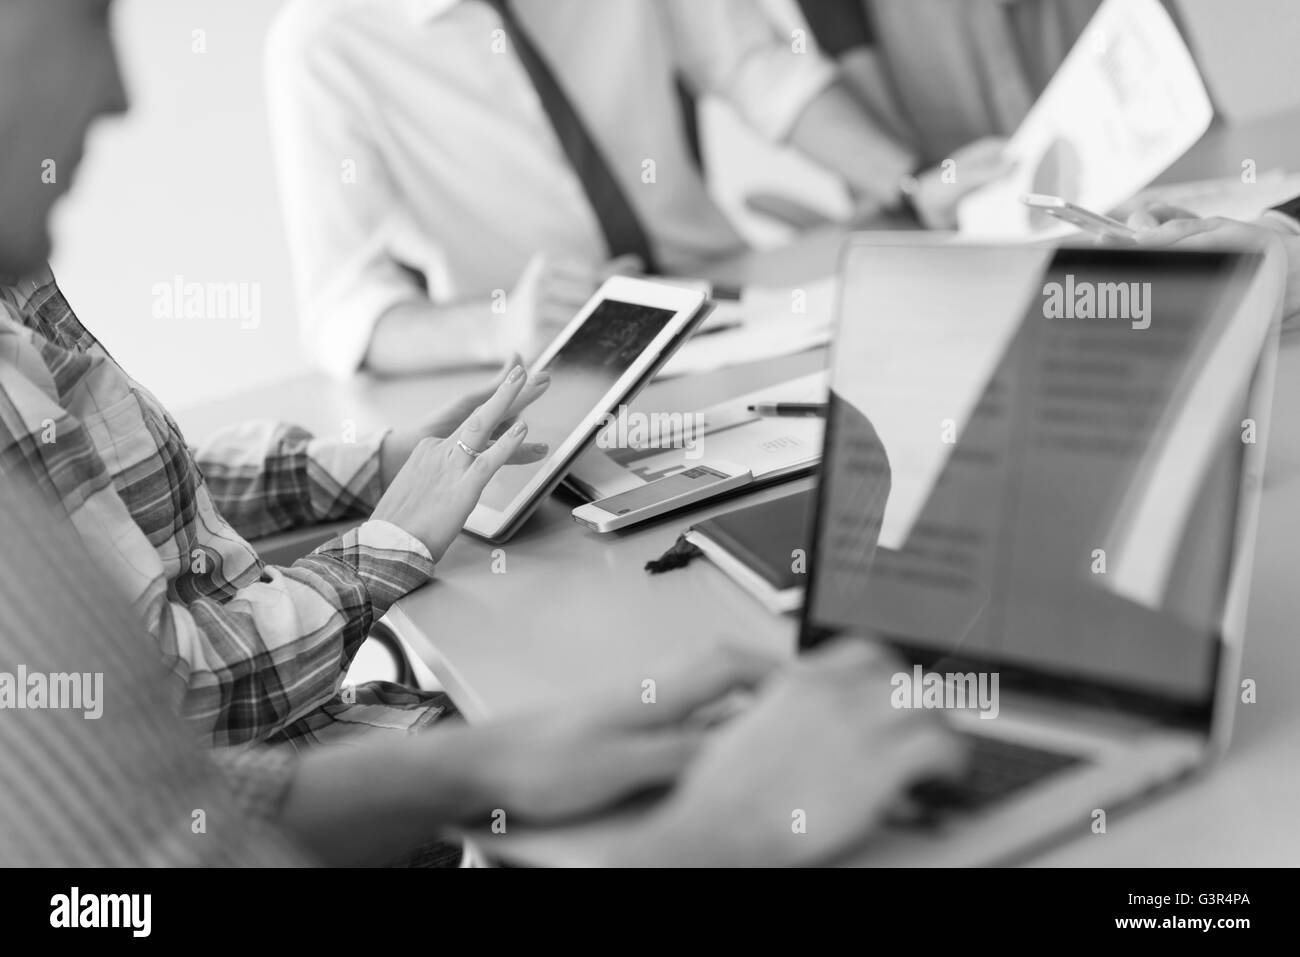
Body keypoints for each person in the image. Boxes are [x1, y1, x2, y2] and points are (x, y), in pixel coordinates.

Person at [0, 0, 960, 868]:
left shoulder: (18, 292)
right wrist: (713, 840)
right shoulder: (328, 42)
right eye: (89, 16)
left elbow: (135, 490)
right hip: (357, 762)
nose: (123, 94)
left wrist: (482, 754)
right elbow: (177, 719)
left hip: (716, 335)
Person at [265, 0, 1011, 378]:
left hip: (723, 305)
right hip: (553, 368)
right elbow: (346, 310)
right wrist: (500, 325)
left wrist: (912, 180)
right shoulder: (323, 45)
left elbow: (760, 71)